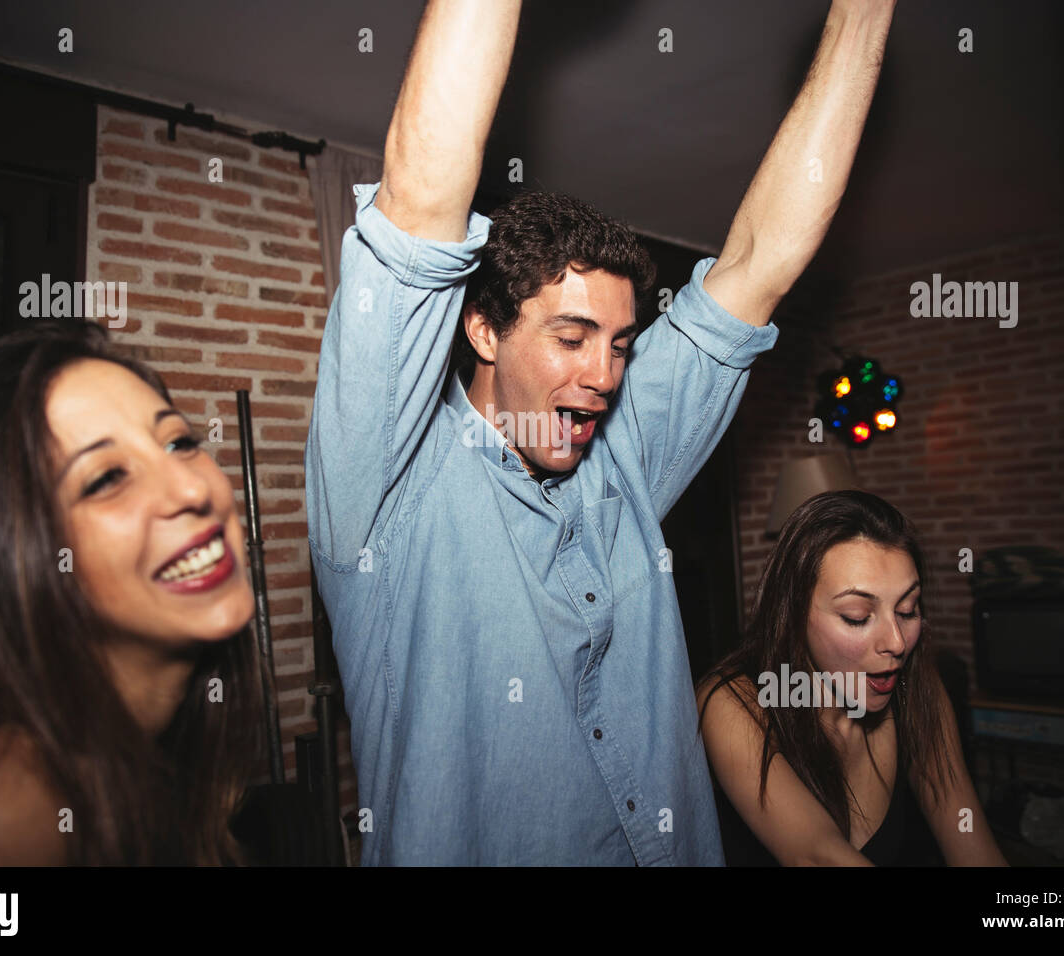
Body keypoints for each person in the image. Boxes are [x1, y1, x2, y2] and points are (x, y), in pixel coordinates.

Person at [306, 0, 899, 864]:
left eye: (620, 344)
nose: (606, 375)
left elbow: (759, 261)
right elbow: (419, 199)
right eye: (571, 337)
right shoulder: (386, 487)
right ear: (482, 330)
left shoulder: (618, 455)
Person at [0, 320, 263, 865]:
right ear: (16, 554)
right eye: (105, 479)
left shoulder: (164, 763)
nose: (193, 488)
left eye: (180, 442)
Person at [697, 490, 1008, 866]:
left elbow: (971, 843)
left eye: (908, 610)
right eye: (858, 616)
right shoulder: (734, 702)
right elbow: (816, 855)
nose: (896, 643)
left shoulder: (917, 690)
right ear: (792, 616)